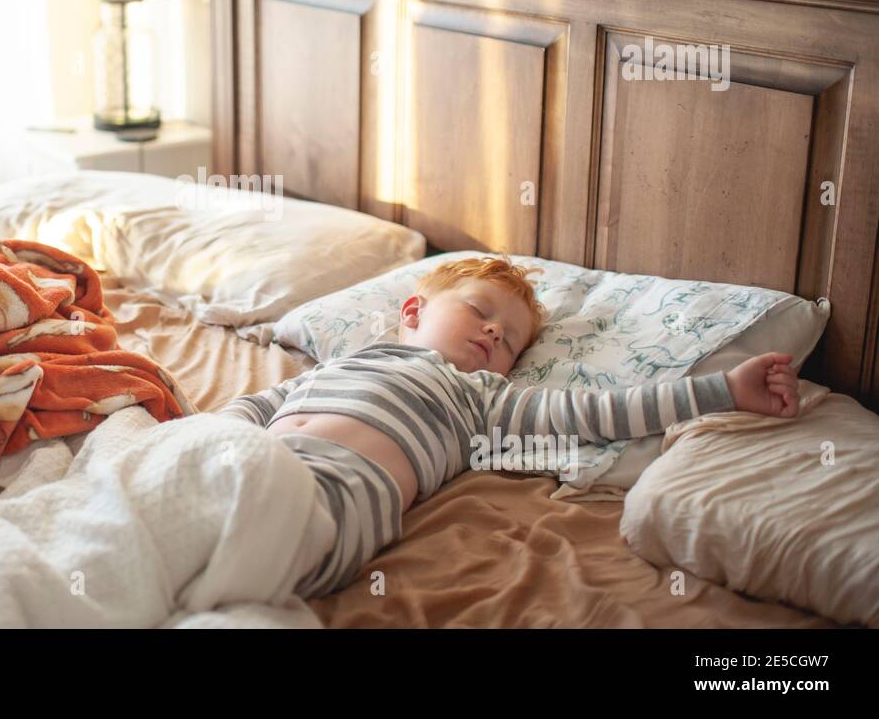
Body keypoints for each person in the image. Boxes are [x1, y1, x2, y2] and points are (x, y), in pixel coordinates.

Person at [218, 256, 801, 599]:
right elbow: (255, 405)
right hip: (249, 461)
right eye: (480, 312)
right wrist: (194, 435)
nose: (496, 333)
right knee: (175, 491)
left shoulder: (482, 398)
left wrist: (722, 389)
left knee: (239, 547)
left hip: (340, 493)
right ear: (414, 312)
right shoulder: (347, 361)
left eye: (512, 339)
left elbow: (595, 416)